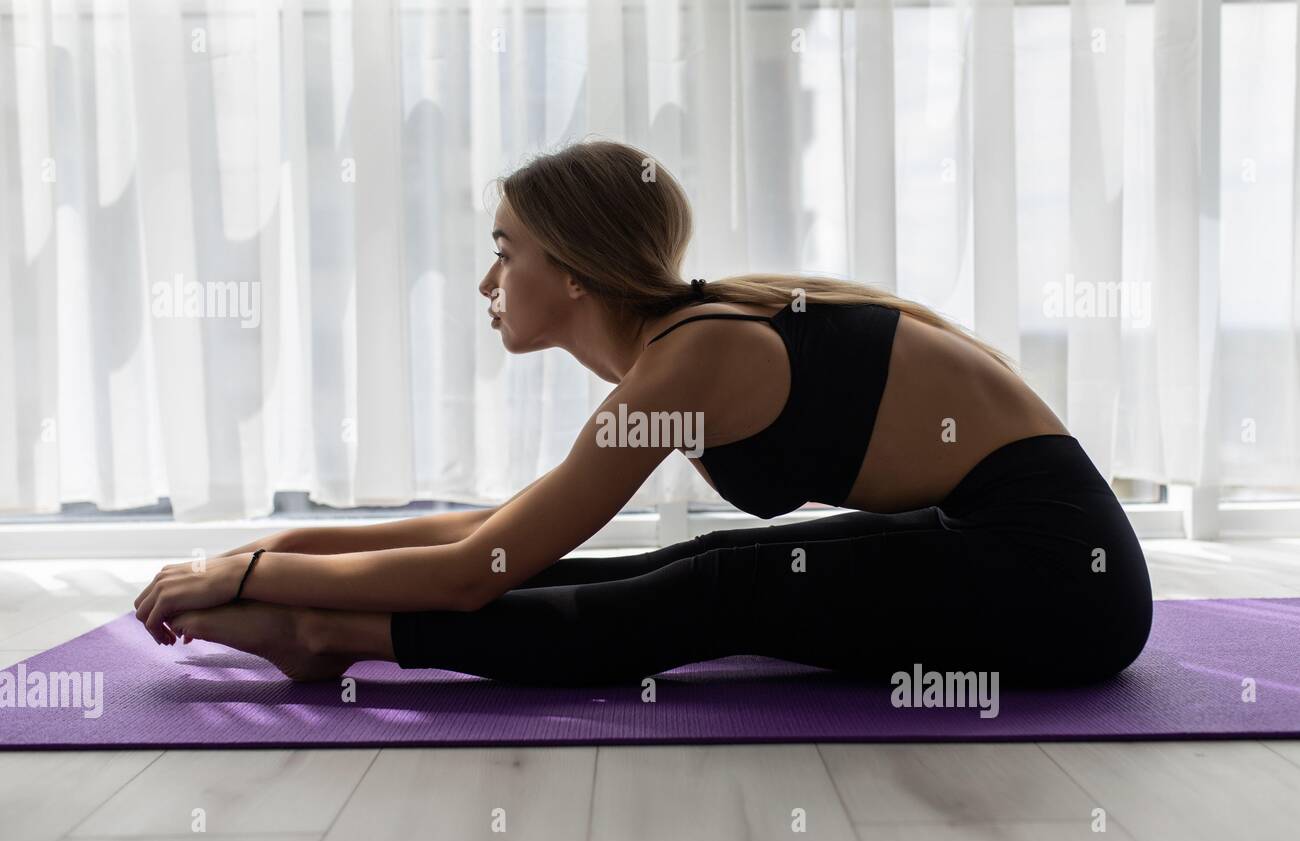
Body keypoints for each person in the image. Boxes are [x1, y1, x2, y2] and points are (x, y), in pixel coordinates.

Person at [142, 140, 1152, 688]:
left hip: (1058, 584)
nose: (485, 279)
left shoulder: (697, 355)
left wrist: (256, 575)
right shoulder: (689, 338)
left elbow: (471, 571)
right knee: (652, 568)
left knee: (712, 586)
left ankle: (328, 633)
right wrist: (284, 537)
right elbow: (504, 531)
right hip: (996, 544)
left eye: (506, 249)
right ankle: (319, 613)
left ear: (574, 273)